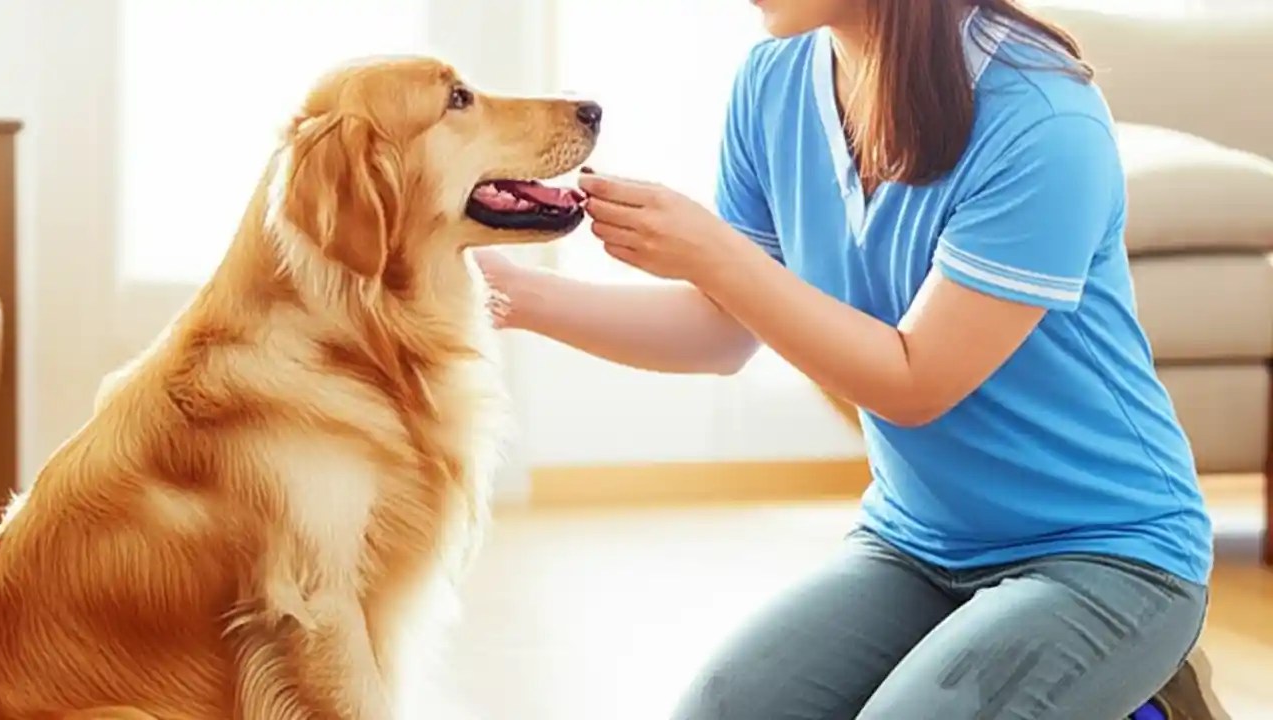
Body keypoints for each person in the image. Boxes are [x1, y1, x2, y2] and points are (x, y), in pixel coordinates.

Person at [474, 1, 1223, 717]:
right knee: (725, 709)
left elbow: (916, 381)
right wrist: (511, 295)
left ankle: (1139, 701)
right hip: (915, 542)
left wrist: (713, 254)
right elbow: (719, 334)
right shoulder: (775, 82)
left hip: (1106, 553)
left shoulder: (1041, 117)